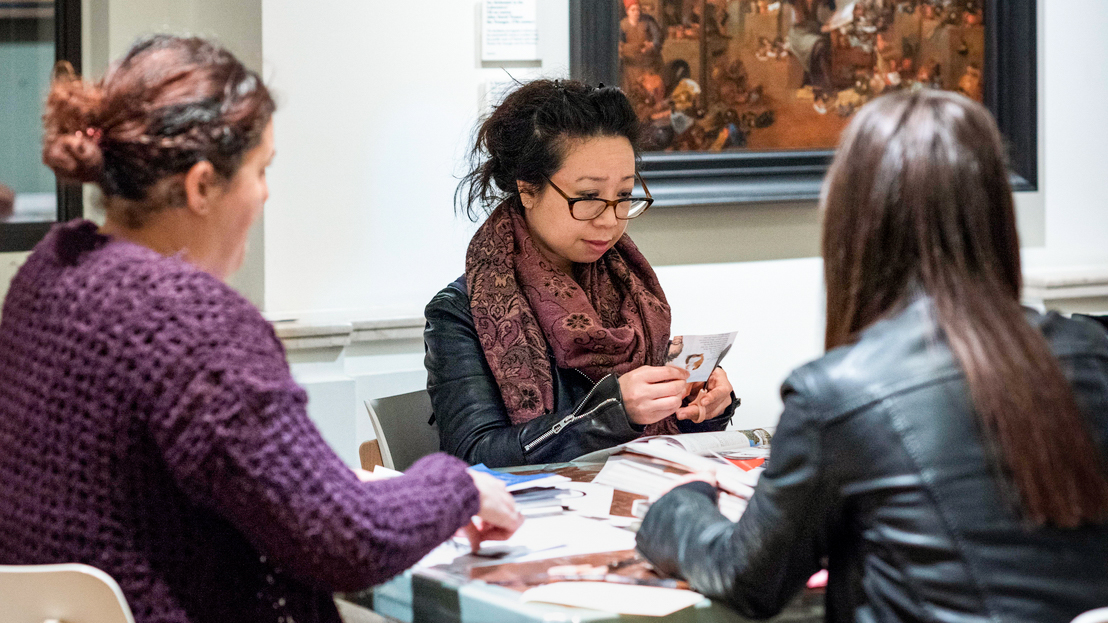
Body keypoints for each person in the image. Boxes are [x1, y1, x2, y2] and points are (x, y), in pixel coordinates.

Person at [0, 35, 521, 623]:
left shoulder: (50, 270)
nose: (266, 192)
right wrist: (459, 488)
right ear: (200, 186)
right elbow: (347, 539)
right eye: (261, 170)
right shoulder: (191, 321)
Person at [635, 90, 1108, 622]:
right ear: (996, 215)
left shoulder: (838, 392)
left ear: (854, 224)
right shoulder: (1092, 354)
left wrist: (680, 504)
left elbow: (748, 577)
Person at [425, 79, 739, 468]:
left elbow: (655, 439)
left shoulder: (630, 290)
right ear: (528, 190)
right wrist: (609, 413)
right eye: (588, 198)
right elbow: (473, 457)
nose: (610, 221)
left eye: (624, 196)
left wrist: (701, 405)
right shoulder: (461, 313)